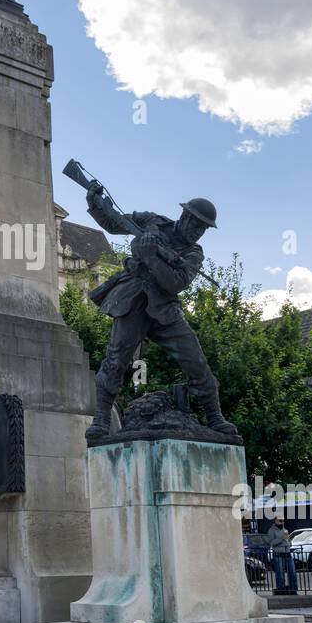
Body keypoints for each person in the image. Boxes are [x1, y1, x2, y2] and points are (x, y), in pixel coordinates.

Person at [83, 183, 238, 442]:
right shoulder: (152, 221)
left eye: (203, 229)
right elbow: (114, 223)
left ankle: (215, 417)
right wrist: (95, 202)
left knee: (196, 360)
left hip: (164, 310)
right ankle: (100, 420)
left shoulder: (193, 253)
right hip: (133, 300)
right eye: (197, 225)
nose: (198, 232)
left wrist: (150, 256)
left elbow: (175, 283)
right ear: (185, 216)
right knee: (116, 359)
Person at [265, 520, 298, 595]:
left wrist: (289, 543)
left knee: (292, 573)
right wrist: (281, 539)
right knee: (280, 575)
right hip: (278, 554)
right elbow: (271, 543)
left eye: (283, 521)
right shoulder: (271, 530)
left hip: (288, 554)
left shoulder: (285, 529)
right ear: (275, 521)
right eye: (280, 521)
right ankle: (281, 591)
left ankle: (294, 590)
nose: (282, 522)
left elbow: (289, 542)